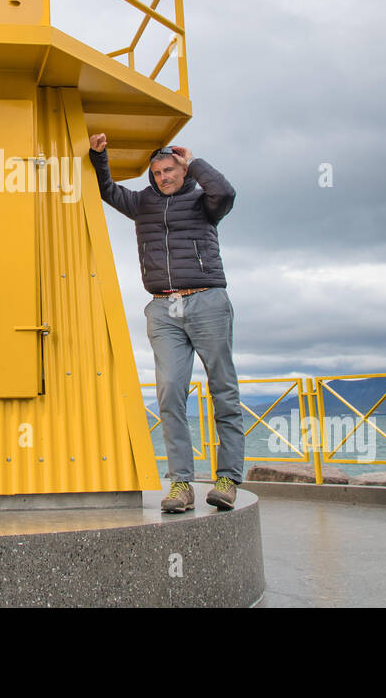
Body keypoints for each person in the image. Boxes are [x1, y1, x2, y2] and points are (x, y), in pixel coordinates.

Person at [87, 134, 245, 513]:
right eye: (157, 173)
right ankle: (181, 484)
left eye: (170, 170)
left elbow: (226, 193)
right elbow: (106, 190)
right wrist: (99, 155)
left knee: (223, 388)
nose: (164, 177)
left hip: (207, 300)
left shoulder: (203, 201)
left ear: (182, 170)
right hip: (163, 308)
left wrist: (195, 161)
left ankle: (227, 480)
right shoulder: (143, 203)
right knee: (170, 392)